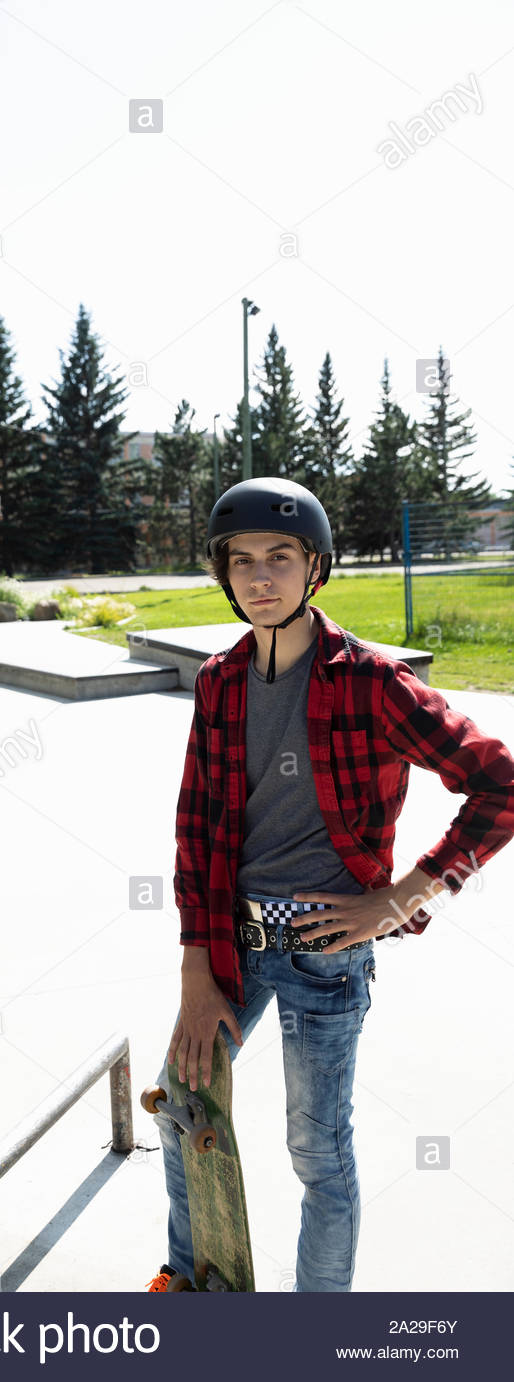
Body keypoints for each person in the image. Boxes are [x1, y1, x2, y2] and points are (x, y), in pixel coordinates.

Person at [147, 476, 514, 1294]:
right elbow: (197, 831)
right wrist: (195, 972)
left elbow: (502, 786)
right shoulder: (219, 681)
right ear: (224, 574)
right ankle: (191, 1279)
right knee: (183, 1104)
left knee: (315, 1150)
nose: (260, 577)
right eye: (242, 561)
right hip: (232, 944)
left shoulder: (370, 682)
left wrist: (406, 894)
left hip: (325, 955)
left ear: (315, 567)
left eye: (280, 557)